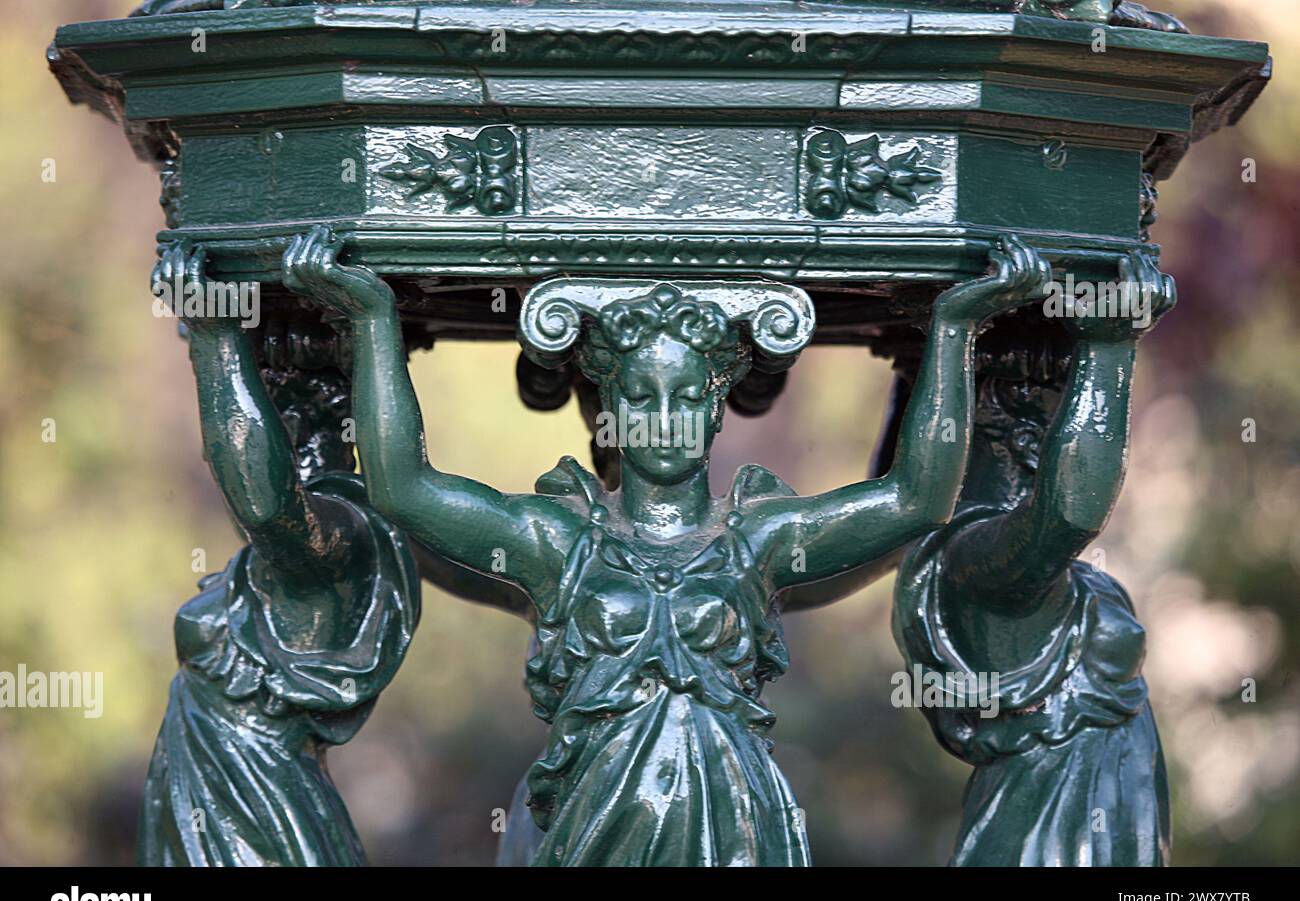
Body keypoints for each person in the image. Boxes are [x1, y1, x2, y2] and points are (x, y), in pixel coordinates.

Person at [284, 224, 1049, 866]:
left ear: (719, 408)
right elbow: (405, 489)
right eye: (639, 394)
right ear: (607, 403)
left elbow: (915, 497)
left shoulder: (759, 538)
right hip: (598, 825)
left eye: (687, 396)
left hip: (737, 827)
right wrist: (371, 320)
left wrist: (953, 330)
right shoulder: (562, 542)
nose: (664, 416)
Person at [139, 243, 420, 866]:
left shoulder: (341, 541)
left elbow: (266, 507)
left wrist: (218, 341)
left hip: (255, 823)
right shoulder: (274, 561)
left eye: (236, 400)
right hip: (228, 814)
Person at [892, 250, 1175, 865]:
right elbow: (1069, 516)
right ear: (1031, 442)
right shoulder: (975, 565)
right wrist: (1107, 350)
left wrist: (924, 368)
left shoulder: (1028, 569)